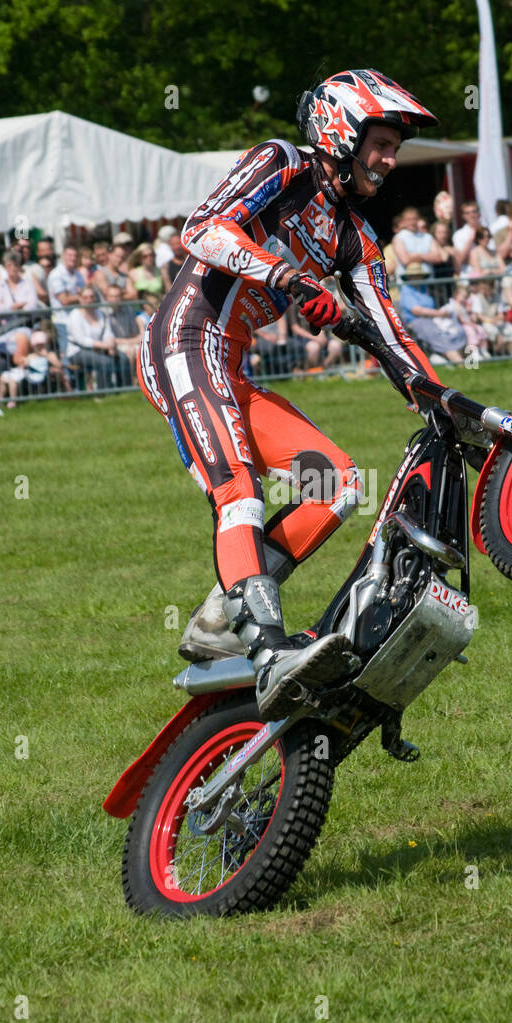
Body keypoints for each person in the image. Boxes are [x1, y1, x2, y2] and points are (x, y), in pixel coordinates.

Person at [138, 67, 442, 717]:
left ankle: (221, 617)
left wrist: (438, 399)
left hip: (233, 367)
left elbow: (390, 333)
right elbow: (203, 230)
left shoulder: (354, 237)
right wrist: (285, 275)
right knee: (239, 489)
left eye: (393, 148)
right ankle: (267, 645)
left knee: (335, 482)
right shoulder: (281, 163)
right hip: (183, 342)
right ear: (341, 131)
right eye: (381, 143)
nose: (390, 161)